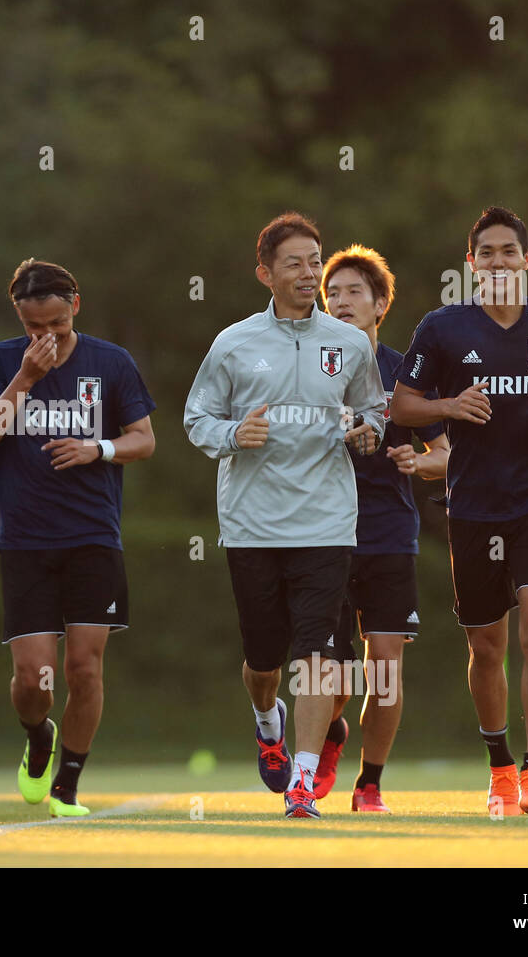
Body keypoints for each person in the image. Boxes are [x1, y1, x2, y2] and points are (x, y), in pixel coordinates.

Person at [391, 206, 528, 816]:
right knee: (486, 644)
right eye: (488, 253)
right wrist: (449, 406)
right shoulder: (443, 328)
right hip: (475, 504)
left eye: (510, 251)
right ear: (471, 264)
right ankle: (500, 766)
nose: (499, 261)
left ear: (527, 261)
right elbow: (403, 405)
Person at [183, 212, 386, 819]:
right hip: (252, 525)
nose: (308, 272)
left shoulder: (350, 343)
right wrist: (232, 432)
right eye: (294, 262)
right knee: (265, 661)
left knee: (319, 654)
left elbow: (373, 409)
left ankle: (303, 781)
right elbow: (197, 418)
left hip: (326, 523)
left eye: (313, 260)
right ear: (265, 272)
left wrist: (368, 433)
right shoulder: (233, 342)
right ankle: (266, 720)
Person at [0, 259, 155, 818]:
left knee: (84, 667)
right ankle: (37, 737)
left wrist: (96, 449)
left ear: (75, 304)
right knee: (32, 679)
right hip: (25, 540)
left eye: (54, 323)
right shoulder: (3, 361)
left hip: (93, 537)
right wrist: (25, 377)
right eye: (33, 327)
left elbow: (143, 440)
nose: (45, 336)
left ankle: (68, 786)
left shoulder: (112, 362)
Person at [318, 245, 451, 812]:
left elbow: (445, 453)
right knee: (331, 678)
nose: (342, 301)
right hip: (322, 533)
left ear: (380, 305)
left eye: (354, 292)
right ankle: (326, 736)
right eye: (333, 293)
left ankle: (369, 784)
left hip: (389, 535)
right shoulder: (309, 366)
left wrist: (417, 464)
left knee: (387, 665)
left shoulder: (406, 374)